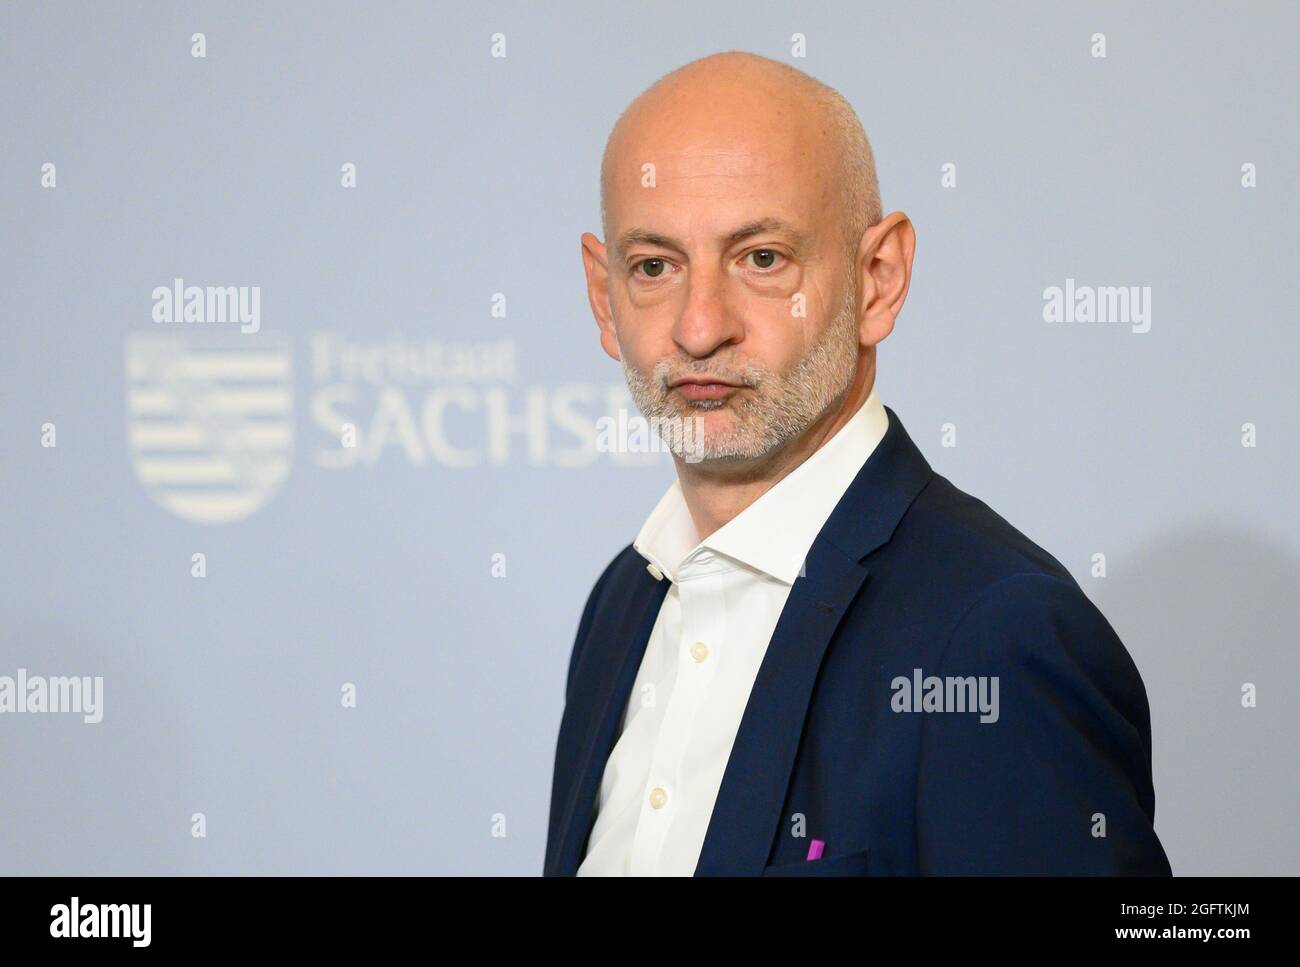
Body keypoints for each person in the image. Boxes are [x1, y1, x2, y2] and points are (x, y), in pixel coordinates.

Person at [545, 51, 1171, 876]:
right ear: (604, 297)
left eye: (761, 258)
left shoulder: (996, 636)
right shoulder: (621, 602)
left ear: (879, 279)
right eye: (654, 266)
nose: (699, 327)